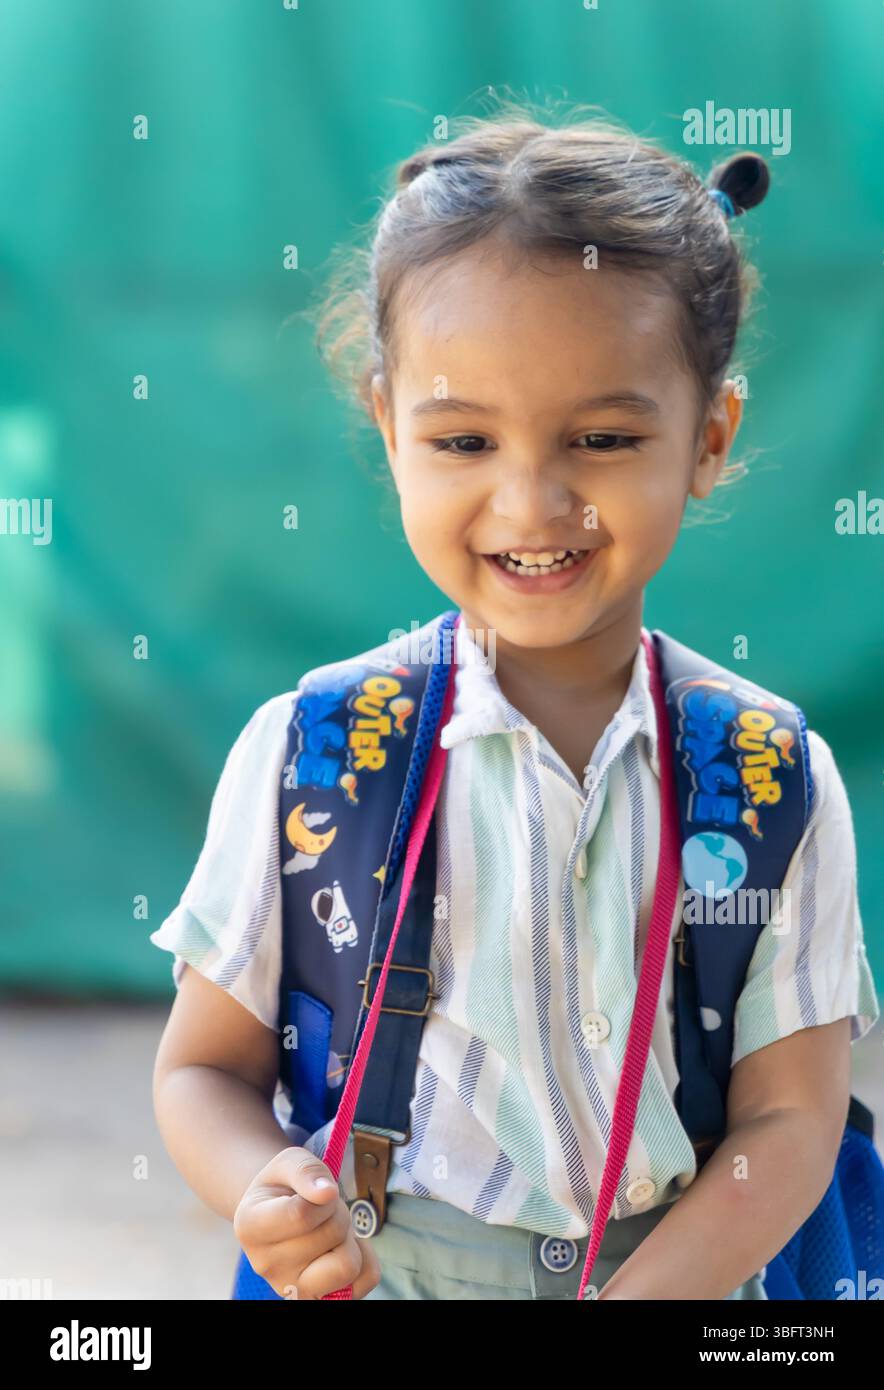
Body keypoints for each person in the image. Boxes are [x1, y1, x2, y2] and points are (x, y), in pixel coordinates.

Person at [151, 100, 879, 1301]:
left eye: (598, 437)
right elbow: (202, 1074)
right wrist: (261, 1193)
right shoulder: (307, 754)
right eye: (461, 442)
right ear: (387, 424)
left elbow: (789, 1123)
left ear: (708, 437)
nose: (531, 505)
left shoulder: (773, 776)